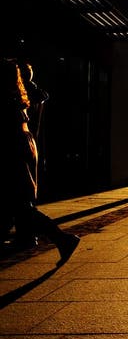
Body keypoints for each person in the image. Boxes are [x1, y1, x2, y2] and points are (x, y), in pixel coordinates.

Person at [0, 58, 79, 264]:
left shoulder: (7, 99)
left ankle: (62, 238)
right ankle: (52, 239)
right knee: (19, 202)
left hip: (14, 147)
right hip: (24, 144)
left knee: (19, 203)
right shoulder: (18, 97)